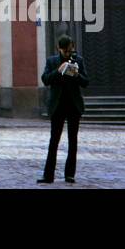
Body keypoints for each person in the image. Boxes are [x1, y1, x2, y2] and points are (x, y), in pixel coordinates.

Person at [38, 33, 90, 184]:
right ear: (59, 49)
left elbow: (86, 82)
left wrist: (77, 74)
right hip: (58, 106)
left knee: (72, 141)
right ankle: (48, 176)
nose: (69, 53)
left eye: (70, 50)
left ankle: (70, 175)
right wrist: (58, 70)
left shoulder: (78, 60)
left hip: (73, 106)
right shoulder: (52, 61)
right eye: (66, 51)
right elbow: (45, 80)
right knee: (54, 141)